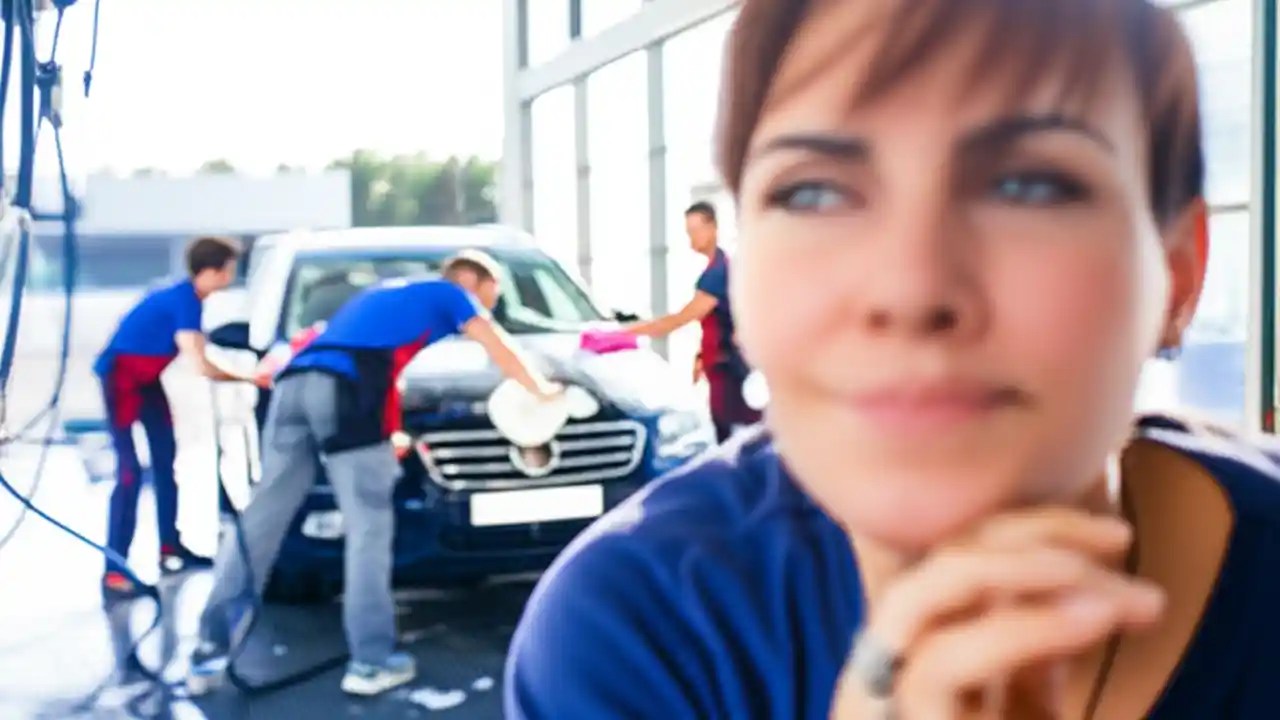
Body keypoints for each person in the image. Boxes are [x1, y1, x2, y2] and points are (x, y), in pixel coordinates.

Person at [505, 1, 1280, 717]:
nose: (909, 287)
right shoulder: (639, 630)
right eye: (812, 193)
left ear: (1177, 270)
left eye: (1030, 186)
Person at [188, 249, 564, 698]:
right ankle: (371, 662)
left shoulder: (387, 297)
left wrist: (390, 436)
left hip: (295, 386)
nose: (490, 304)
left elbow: (377, 372)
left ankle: (208, 652)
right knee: (368, 527)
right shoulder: (449, 293)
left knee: (261, 520)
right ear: (469, 278)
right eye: (491, 293)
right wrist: (542, 391)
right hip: (344, 392)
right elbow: (496, 342)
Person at [96, 235, 247, 601]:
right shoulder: (184, 300)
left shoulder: (187, 298)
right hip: (121, 377)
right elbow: (199, 362)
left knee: (166, 460)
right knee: (130, 473)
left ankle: (170, 548)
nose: (230, 277)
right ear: (210, 271)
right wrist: (248, 377)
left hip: (148, 381)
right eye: (228, 270)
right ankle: (115, 571)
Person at [624, 201, 761, 441]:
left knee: (734, 438)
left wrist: (624, 333)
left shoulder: (717, 274)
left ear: (713, 228)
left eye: (696, 231)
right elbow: (721, 320)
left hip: (730, 372)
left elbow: (680, 320)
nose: (692, 239)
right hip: (720, 367)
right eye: (689, 232)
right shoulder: (719, 268)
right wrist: (700, 356)